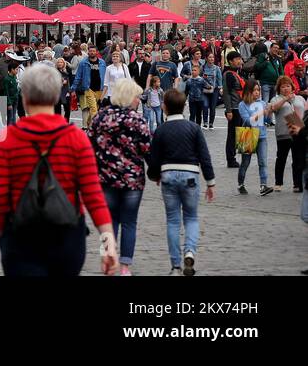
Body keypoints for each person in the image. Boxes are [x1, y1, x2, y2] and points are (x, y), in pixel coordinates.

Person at [0, 62, 117, 276]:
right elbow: (93, 195)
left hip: (21, 235)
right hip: (67, 237)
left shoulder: (7, 140)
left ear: (24, 97)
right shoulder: (76, 138)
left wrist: (4, 235)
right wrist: (108, 243)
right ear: (57, 95)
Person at [146, 89, 216, 275]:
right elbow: (205, 157)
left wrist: (155, 175)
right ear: (184, 106)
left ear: (164, 107)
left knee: (172, 221)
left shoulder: (160, 130)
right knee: (191, 217)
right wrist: (210, 182)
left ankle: (175, 265)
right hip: (190, 174)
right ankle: (190, 252)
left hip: (168, 175)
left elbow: (154, 159)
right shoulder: (194, 128)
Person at [87, 78, 152, 276]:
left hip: (106, 178)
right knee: (130, 222)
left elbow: (89, 145)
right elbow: (147, 149)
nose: (139, 100)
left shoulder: (100, 117)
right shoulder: (137, 120)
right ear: (129, 97)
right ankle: (125, 266)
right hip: (132, 180)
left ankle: (108, 259)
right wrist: (156, 172)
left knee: (109, 221)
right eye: (137, 97)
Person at [267, 77, 306, 192]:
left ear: (292, 87)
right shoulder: (276, 99)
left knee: (298, 159)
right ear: (279, 88)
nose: (285, 88)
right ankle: (278, 183)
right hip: (283, 133)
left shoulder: (299, 98)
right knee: (281, 158)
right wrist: (285, 99)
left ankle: (297, 184)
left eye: (288, 86)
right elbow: (273, 108)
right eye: (283, 86)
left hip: (299, 132)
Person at [236, 82, 272, 196]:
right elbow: (248, 121)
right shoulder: (242, 104)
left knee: (263, 162)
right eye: (254, 90)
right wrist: (261, 112)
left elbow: (267, 121)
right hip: (248, 134)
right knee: (245, 162)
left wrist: (269, 112)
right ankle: (240, 184)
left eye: (258, 90)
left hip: (262, 135)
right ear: (248, 91)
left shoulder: (262, 103)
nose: (257, 92)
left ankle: (263, 186)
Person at [222, 54, 247, 168]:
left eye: (240, 59)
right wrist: (229, 110)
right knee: (232, 135)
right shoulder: (228, 74)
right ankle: (231, 160)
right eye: (237, 59)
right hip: (234, 109)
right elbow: (226, 93)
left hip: (242, 107)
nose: (239, 61)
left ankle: (245, 157)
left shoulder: (238, 73)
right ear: (230, 61)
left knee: (244, 132)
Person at [73, 49, 107, 126]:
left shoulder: (102, 62)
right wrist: (73, 88)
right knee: (94, 108)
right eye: (90, 51)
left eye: (93, 51)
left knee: (96, 108)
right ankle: (94, 127)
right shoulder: (83, 63)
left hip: (100, 89)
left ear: (96, 52)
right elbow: (78, 76)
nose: (92, 52)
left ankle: (88, 122)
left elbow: (105, 75)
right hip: (88, 88)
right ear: (88, 52)